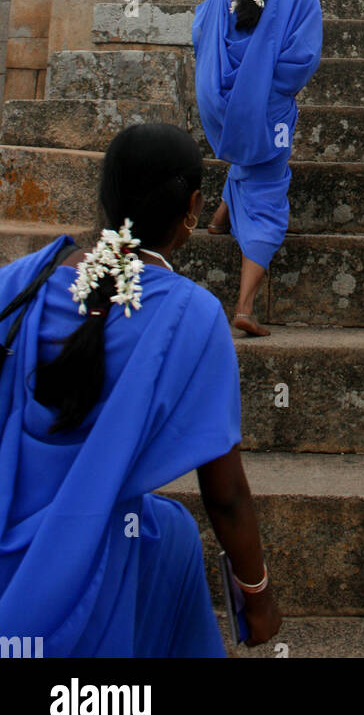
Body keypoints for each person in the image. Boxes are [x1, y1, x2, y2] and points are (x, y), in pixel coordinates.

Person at [0, 123, 281, 656]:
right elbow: (224, 495)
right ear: (193, 208)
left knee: (168, 530)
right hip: (91, 558)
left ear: (103, 195)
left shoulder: (19, 284)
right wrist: (257, 594)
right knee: (162, 535)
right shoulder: (192, 317)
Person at [193, 0, 323, 337]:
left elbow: (199, 37)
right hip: (265, 112)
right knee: (269, 185)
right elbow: (301, 63)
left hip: (218, 107)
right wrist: (263, 87)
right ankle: (246, 306)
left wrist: (239, 90)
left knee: (248, 140)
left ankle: (220, 216)